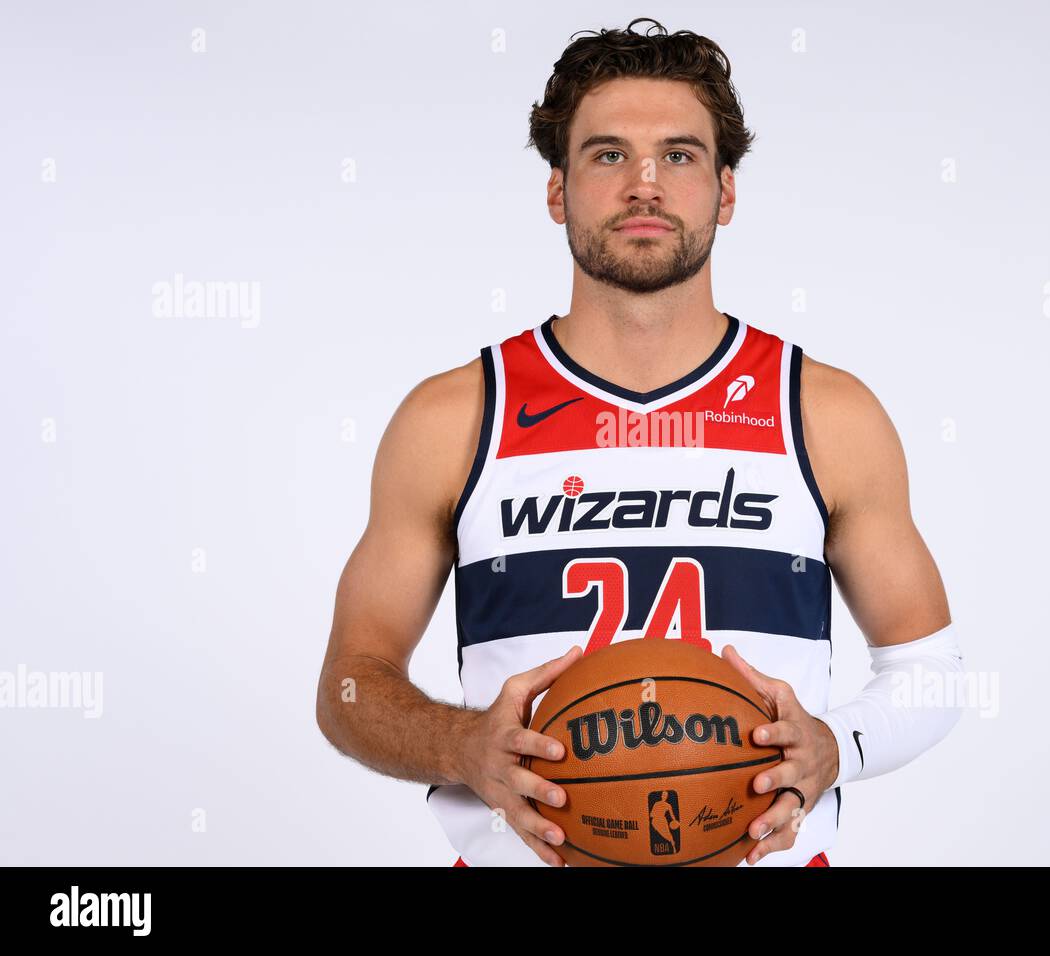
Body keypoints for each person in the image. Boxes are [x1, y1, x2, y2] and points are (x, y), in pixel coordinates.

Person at [316, 18, 963, 868]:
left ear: (727, 193)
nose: (646, 185)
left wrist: (834, 748)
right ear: (558, 191)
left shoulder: (824, 414)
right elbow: (349, 688)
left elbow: (935, 677)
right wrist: (461, 744)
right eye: (609, 155)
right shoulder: (456, 417)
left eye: (682, 155)